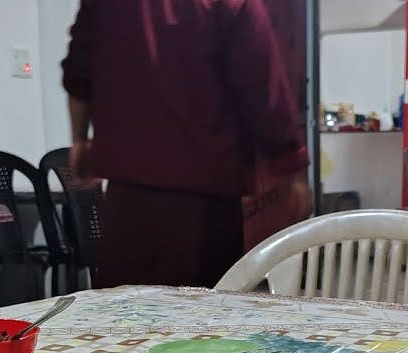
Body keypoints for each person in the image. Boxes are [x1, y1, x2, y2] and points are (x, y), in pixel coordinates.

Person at [61, 0, 312, 288]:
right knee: (200, 324)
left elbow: (78, 73)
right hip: (203, 206)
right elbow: (264, 94)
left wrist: (79, 139)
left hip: (126, 203)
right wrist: (293, 171)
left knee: (125, 321)